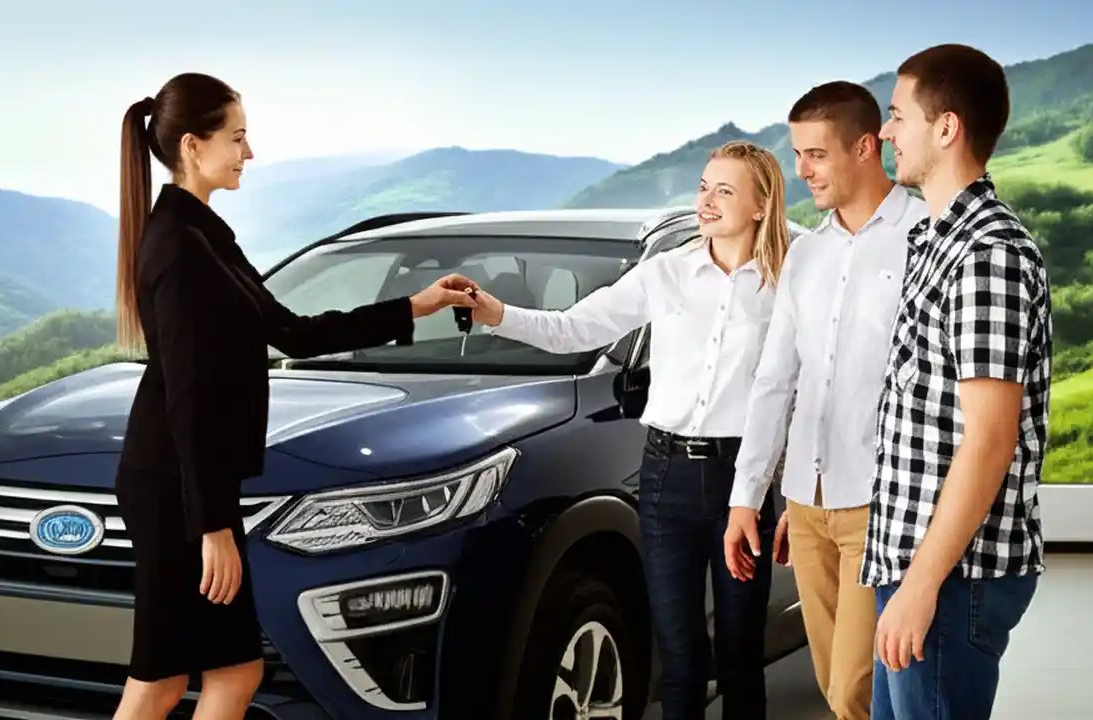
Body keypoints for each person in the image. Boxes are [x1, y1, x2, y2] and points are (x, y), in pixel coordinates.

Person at [110, 72, 477, 720]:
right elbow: (189, 401)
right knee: (164, 678)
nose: (249, 153)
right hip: (173, 488)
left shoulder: (204, 235)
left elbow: (294, 333)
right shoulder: (179, 247)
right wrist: (213, 526)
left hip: (181, 483)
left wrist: (413, 306)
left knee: (229, 671)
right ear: (193, 146)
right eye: (238, 138)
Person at [469, 140, 790, 720]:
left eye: (725, 190)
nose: (708, 202)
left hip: (743, 480)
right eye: (703, 187)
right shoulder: (665, 272)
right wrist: (500, 315)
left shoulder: (789, 276)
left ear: (762, 205)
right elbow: (575, 327)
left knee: (741, 653)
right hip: (665, 478)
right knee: (680, 655)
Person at [722, 82, 927, 720]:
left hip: (883, 503)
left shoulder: (925, 237)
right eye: (798, 154)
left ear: (866, 147)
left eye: (815, 154)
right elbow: (776, 380)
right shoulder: (806, 254)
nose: (801, 170)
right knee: (832, 686)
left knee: (855, 690)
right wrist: (747, 497)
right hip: (807, 506)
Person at [866, 44, 1051, 720]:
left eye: (896, 116)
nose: (886, 132)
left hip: (949, 577)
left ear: (946, 129)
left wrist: (920, 584)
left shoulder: (987, 256)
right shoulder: (939, 241)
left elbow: (989, 440)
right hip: (921, 568)